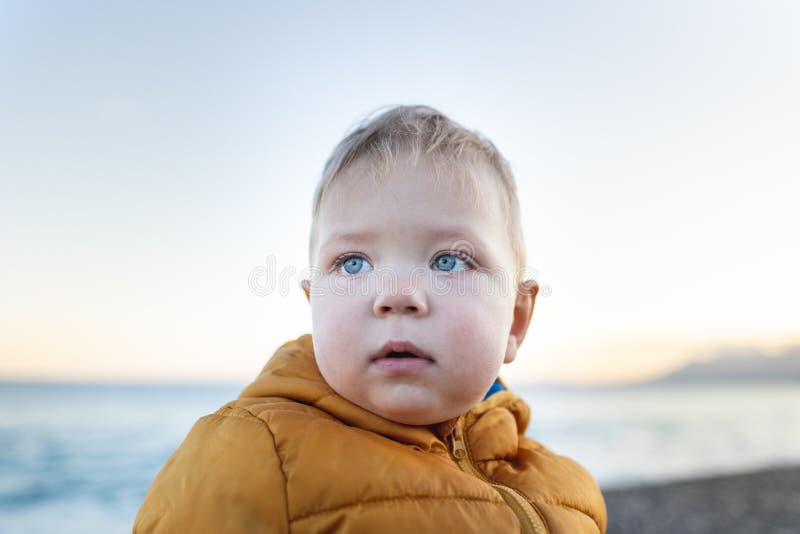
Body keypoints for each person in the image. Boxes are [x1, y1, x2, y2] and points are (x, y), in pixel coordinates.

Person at [134, 105, 608, 533]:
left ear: (515, 323)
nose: (397, 296)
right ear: (313, 304)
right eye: (353, 263)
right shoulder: (247, 462)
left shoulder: (569, 495)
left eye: (449, 261)